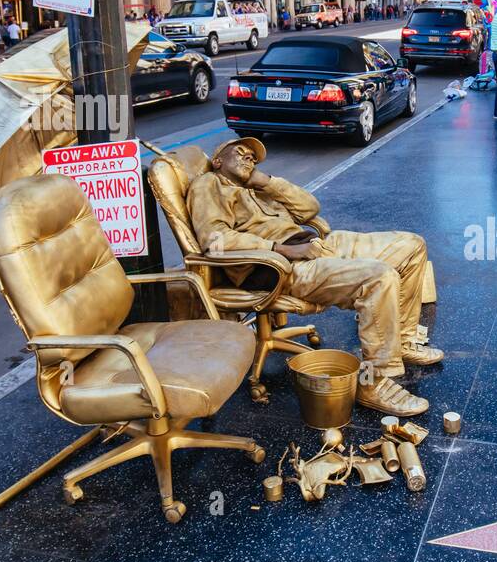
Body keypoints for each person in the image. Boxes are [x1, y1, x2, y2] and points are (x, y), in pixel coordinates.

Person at [189, 138, 441, 416]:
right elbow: (215, 241)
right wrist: (281, 249)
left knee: (411, 246)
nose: (249, 158)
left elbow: (309, 209)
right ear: (218, 161)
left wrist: (267, 182)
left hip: (316, 246)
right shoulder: (209, 185)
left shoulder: (256, 188)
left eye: (253, 157)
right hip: (281, 267)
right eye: (240, 153)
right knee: (379, 278)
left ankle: (402, 342)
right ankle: (373, 382)